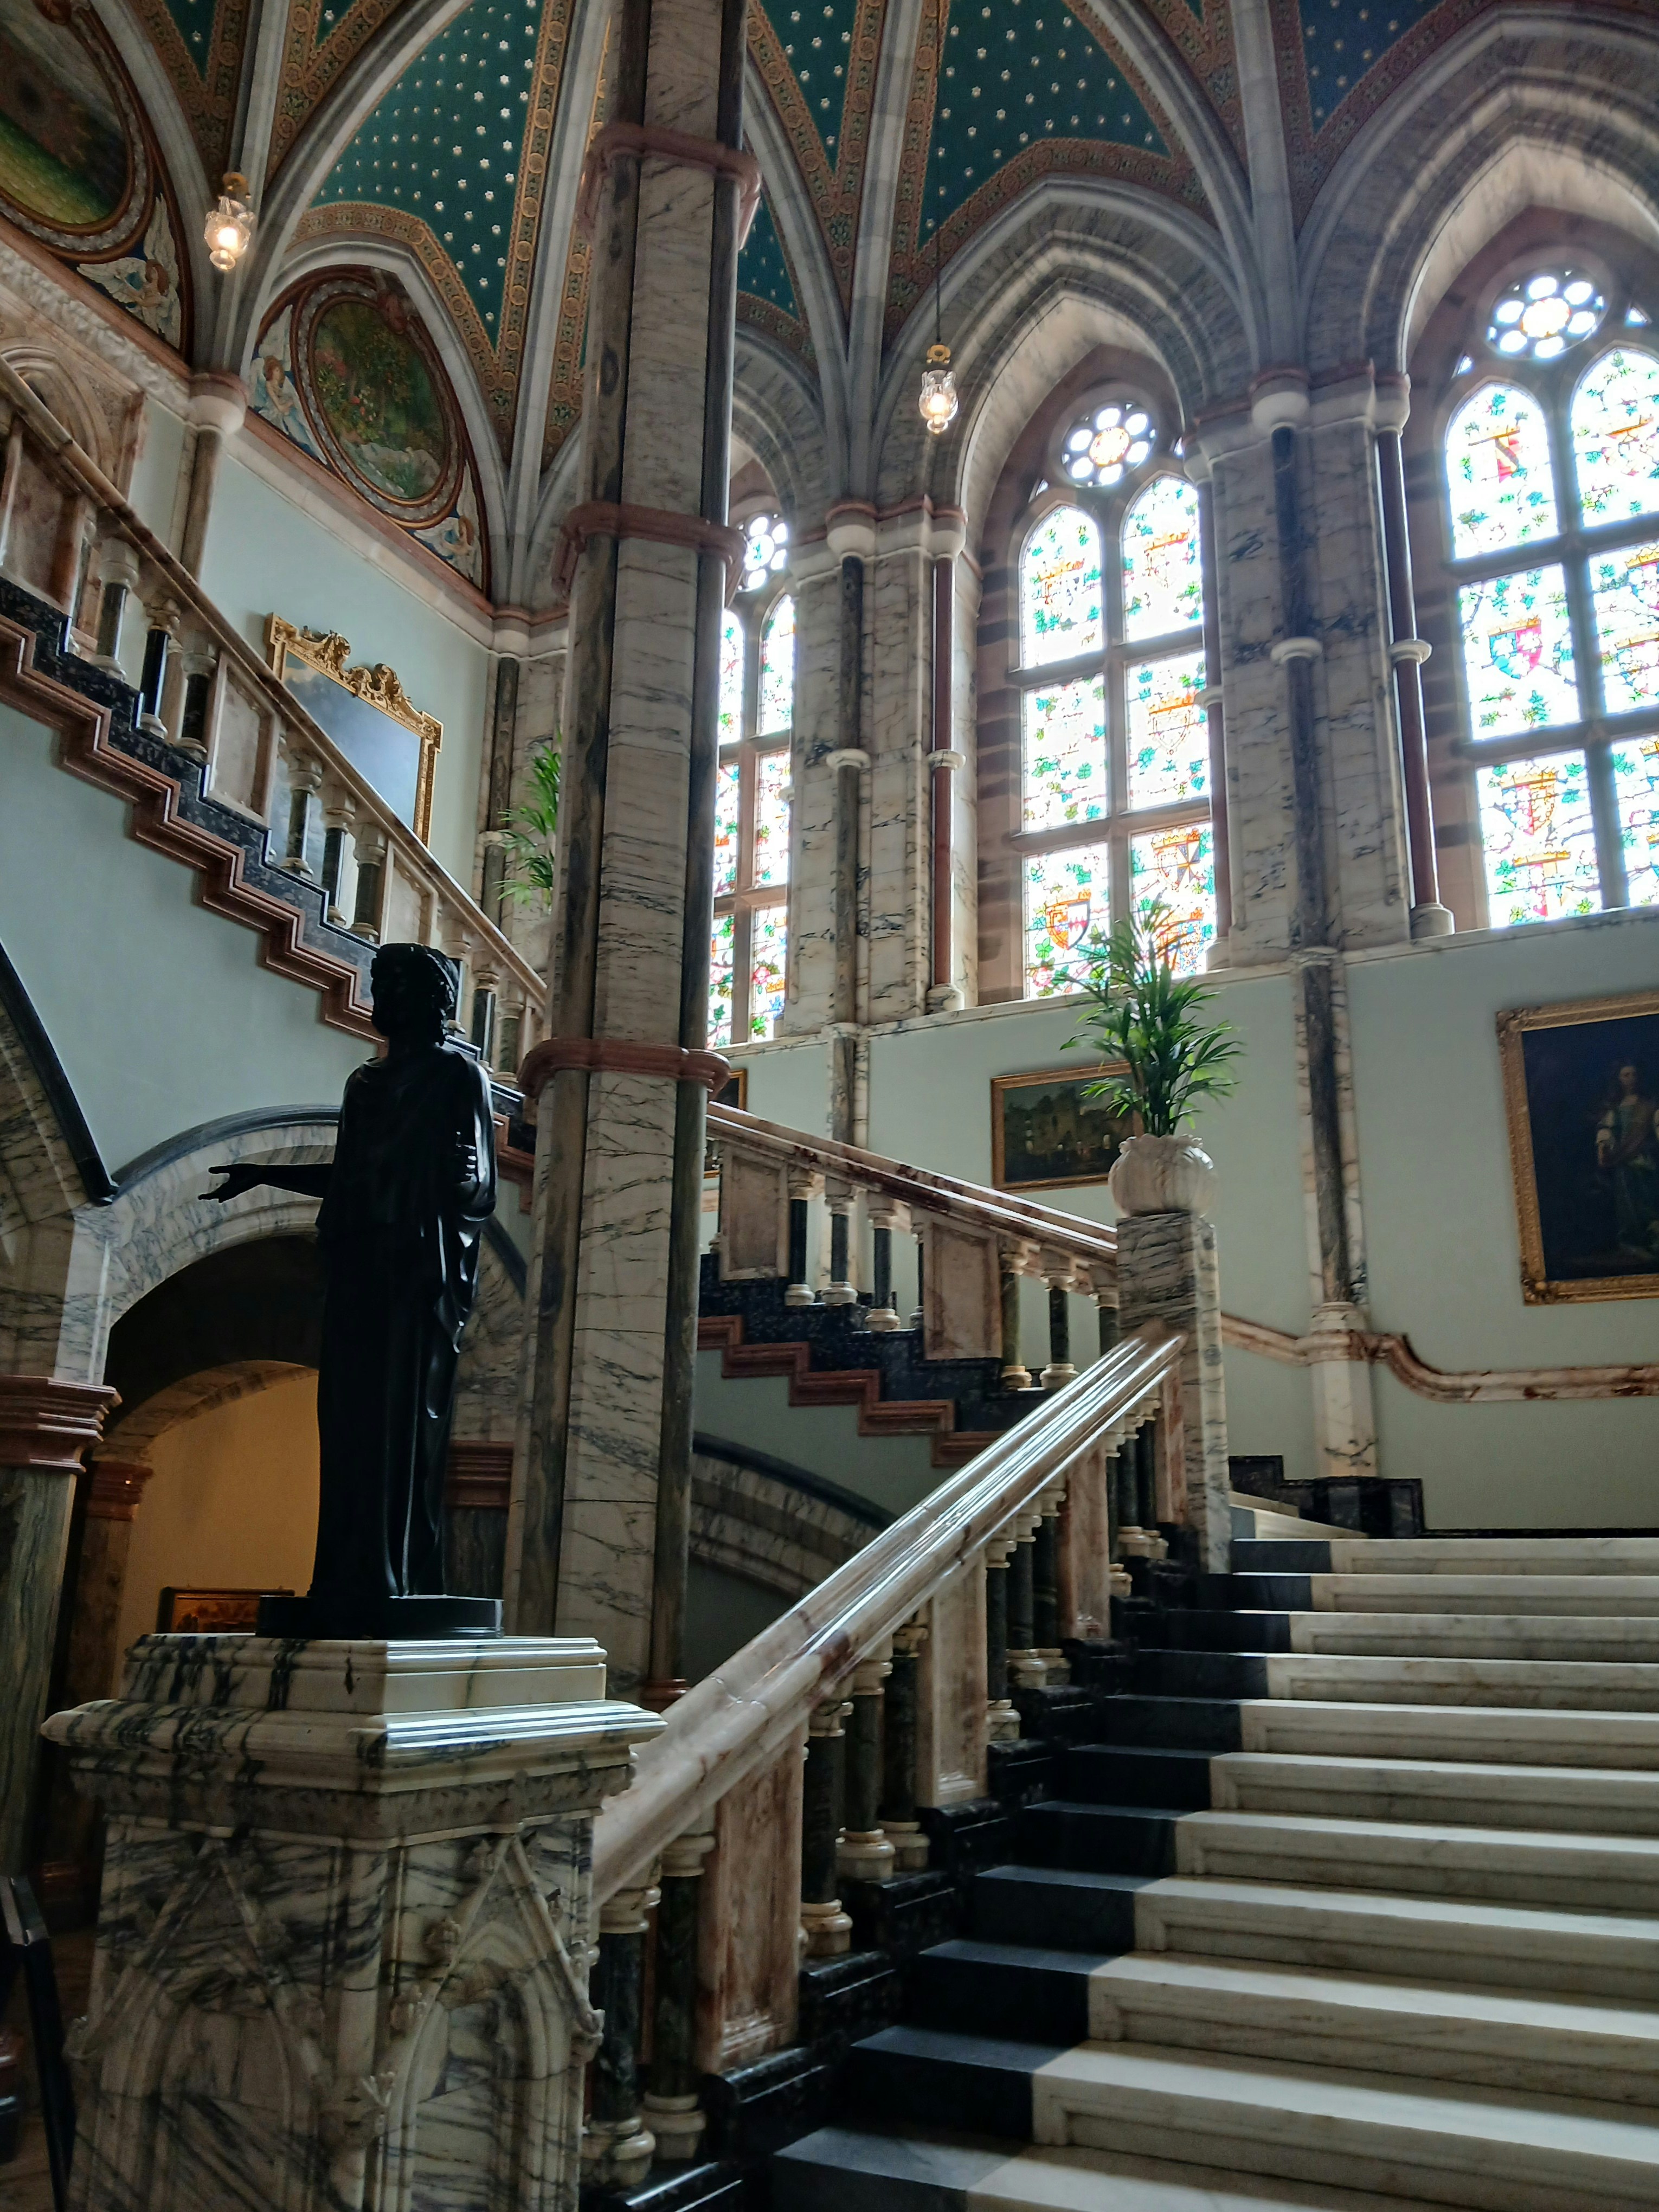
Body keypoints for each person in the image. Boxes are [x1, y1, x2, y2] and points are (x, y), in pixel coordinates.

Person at [204, 943, 497, 1630]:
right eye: (378, 982)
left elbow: (477, 1179)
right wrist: (266, 1174)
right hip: (361, 1267)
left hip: (416, 1273)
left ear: (434, 999)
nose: (382, 996)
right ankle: (348, 1573)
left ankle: (399, 1575)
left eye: (397, 984)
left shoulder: (458, 1073)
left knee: (403, 1424)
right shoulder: (364, 1083)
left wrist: (461, 1182)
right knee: (347, 1425)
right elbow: (353, 1176)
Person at [1594, 1060, 1659, 1261]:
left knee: (1648, 1199)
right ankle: (1632, 1241)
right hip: (1624, 1162)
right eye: (1626, 1075)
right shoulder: (1615, 1108)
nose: (1631, 1079)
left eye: (1634, 1074)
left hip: (1646, 1161)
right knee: (1628, 1202)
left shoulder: (1650, 1106)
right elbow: (1607, 1130)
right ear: (1619, 1079)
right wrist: (1604, 1147)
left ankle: (1654, 1239)